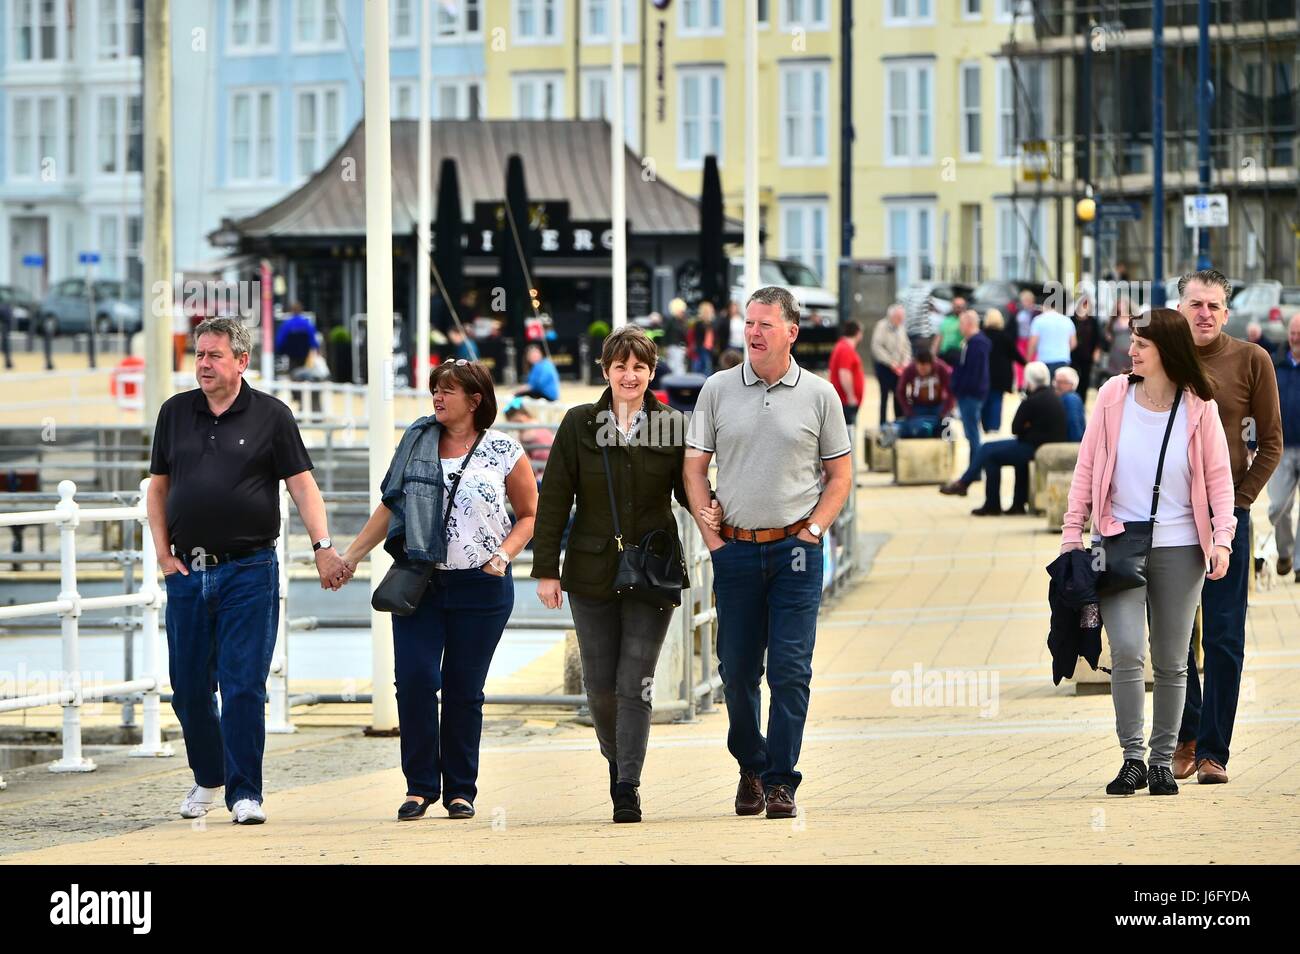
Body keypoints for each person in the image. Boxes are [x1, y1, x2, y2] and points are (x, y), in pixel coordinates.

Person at [147, 317, 350, 825]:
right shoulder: (174, 413)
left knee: (243, 685)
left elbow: (303, 487)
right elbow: (158, 488)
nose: (204, 364)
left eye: (215, 355)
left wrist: (323, 547)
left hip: (250, 569)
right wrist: (161, 555)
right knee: (189, 687)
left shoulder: (272, 416)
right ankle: (209, 775)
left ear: (241, 361)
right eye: (199, 355)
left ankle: (244, 792)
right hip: (188, 572)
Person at [341, 360, 538, 820]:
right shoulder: (417, 444)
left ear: (475, 400)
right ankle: (420, 786)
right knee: (414, 681)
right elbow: (390, 509)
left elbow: (529, 514)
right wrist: (350, 556)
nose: (437, 398)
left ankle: (460, 790)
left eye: (447, 391)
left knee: (463, 689)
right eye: (434, 389)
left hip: (482, 585)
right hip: (420, 580)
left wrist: (503, 555)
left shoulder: (504, 450)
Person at [684, 285, 852, 820]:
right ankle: (750, 765)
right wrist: (711, 535)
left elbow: (840, 475)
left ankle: (781, 780)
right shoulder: (716, 389)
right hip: (734, 549)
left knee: (790, 669)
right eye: (748, 324)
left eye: (764, 325)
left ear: (791, 332)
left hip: (797, 552)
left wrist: (815, 531)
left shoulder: (820, 395)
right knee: (735, 670)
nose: (753, 334)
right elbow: (693, 468)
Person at [532, 326, 712, 823]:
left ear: (652, 372)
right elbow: (553, 502)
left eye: (639, 367)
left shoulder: (672, 425)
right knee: (599, 686)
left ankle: (627, 786)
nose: (629, 376)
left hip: (654, 571)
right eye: (620, 366)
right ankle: (617, 761)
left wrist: (721, 528)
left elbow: (689, 491)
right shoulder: (578, 424)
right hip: (590, 572)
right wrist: (546, 569)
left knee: (636, 680)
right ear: (606, 371)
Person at [1061, 307, 1235, 797]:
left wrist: (1222, 539)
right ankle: (1131, 757)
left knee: (1173, 659)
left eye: (1141, 344)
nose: (1130, 350)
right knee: (1129, 650)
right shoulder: (1114, 396)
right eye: (1132, 342)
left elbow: (1219, 481)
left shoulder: (1199, 405)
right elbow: (1087, 466)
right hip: (1117, 542)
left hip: (1182, 546)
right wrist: (1073, 533)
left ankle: (1162, 761)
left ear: (1166, 351)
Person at [1174, 269, 1282, 784]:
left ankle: (1215, 750)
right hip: (1171, 520)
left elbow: (1272, 443)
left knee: (1222, 635)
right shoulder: (1164, 357)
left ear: (1226, 311)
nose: (1205, 314)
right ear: (1179, 308)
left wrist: (1237, 504)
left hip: (1228, 519)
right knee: (1173, 636)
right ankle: (1187, 734)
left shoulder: (1252, 360)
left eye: (1214, 306)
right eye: (1196, 304)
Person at [940, 361, 1066, 515]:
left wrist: (1026, 426)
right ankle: (1017, 504)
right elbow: (1022, 428)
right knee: (989, 448)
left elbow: (1015, 428)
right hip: (1041, 444)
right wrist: (1027, 426)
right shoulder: (1052, 396)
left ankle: (987, 501)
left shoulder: (1031, 400)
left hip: (1032, 447)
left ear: (1029, 380)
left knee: (990, 455)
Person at [1267, 313, 1300, 581]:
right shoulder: (1276, 365)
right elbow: (1263, 407)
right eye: (1293, 332)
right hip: (1281, 447)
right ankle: (1285, 551)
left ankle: (1299, 564)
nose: (1296, 337)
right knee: (1278, 506)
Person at [950, 309, 991, 459]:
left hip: (971, 394)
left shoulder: (977, 344)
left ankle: (976, 467)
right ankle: (975, 466)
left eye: (961, 324)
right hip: (969, 393)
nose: (960, 328)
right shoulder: (971, 343)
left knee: (972, 433)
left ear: (968, 324)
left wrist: (960, 388)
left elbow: (973, 373)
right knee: (970, 432)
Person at [890, 349, 953, 441]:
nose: (922, 371)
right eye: (920, 368)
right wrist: (908, 410)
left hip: (937, 407)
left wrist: (945, 411)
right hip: (917, 407)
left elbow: (951, 391)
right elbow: (900, 391)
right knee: (917, 428)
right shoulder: (910, 369)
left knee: (943, 427)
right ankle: (896, 429)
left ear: (931, 364)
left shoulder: (941, 368)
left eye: (925, 369)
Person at [980, 308, 1024, 433]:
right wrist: (1026, 363)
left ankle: (985, 427)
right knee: (996, 401)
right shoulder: (1005, 337)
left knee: (985, 401)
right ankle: (994, 427)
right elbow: (1015, 355)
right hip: (1001, 375)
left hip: (984, 374)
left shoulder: (981, 336)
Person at [869, 303, 911, 426]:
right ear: (891, 316)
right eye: (898, 317)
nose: (901, 320)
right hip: (885, 367)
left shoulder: (902, 328)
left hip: (899, 368)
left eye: (902, 317)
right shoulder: (881, 326)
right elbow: (876, 347)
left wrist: (905, 363)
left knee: (899, 395)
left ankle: (899, 422)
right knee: (884, 397)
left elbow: (907, 347)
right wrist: (891, 363)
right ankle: (882, 424)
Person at [503, 398, 553, 480]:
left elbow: (525, 440)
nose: (516, 426)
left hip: (542, 468)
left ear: (522, 415)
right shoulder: (536, 422)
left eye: (516, 421)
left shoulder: (528, 430)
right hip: (546, 464)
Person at [828, 320, 866, 427]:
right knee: (848, 434)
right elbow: (844, 374)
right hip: (846, 402)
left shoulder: (842, 346)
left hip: (844, 401)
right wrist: (851, 397)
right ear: (858, 333)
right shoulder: (845, 349)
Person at [1028, 300, 1076, 379]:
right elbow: (1073, 343)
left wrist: (1028, 361)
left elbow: (1032, 343)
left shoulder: (1038, 320)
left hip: (1044, 359)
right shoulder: (1067, 321)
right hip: (1062, 358)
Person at [274, 302, 321, 375]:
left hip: (291, 354)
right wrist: (317, 349)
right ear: (301, 311)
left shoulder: (287, 324)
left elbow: (280, 340)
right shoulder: (307, 324)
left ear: (292, 311)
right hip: (304, 353)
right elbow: (313, 340)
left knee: (293, 371)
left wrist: (279, 351)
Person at [1069, 293, 1103, 395]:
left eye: (1086, 305)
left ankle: (1082, 402)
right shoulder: (1071, 320)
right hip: (1073, 355)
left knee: (1085, 380)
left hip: (1087, 355)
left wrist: (1097, 352)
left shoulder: (1093, 321)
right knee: (1073, 378)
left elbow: (1098, 339)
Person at [1102, 298, 1133, 377]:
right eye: (1119, 305)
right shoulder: (1113, 319)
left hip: (1129, 352)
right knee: (1115, 374)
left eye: (1123, 305)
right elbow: (1107, 332)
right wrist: (1108, 335)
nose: (1121, 307)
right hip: (1116, 351)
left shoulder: (1133, 319)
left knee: (1129, 374)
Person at [1055, 367, 1087, 442]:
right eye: (1056, 381)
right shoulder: (1067, 397)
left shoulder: (1071, 398)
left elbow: (1074, 424)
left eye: (1061, 382)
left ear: (1071, 384)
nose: (1056, 385)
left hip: (1070, 445)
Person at [936, 296, 966, 367]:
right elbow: (939, 337)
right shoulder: (946, 320)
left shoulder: (965, 320)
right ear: (952, 306)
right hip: (943, 354)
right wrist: (934, 354)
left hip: (957, 354)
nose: (958, 308)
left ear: (964, 307)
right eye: (956, 306)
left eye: (960, 306)